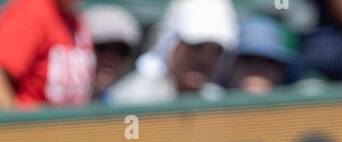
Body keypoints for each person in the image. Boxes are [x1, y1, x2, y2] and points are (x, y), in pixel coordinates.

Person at [106, 0, 237, 104]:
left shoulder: (218, 103)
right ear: (170, 43)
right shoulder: (130, 100)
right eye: (196, 46)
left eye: (217, 51)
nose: (205, 59)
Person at [0, 0, 94, 107]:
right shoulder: (30, 11)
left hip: (68, 121)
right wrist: (13, 120)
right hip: (34, 122)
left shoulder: (74, 20)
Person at [82, 5, 141, 98]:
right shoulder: (56, 100)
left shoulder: (132, 101)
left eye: (122, 51)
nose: (111, 59)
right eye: (101, 47)